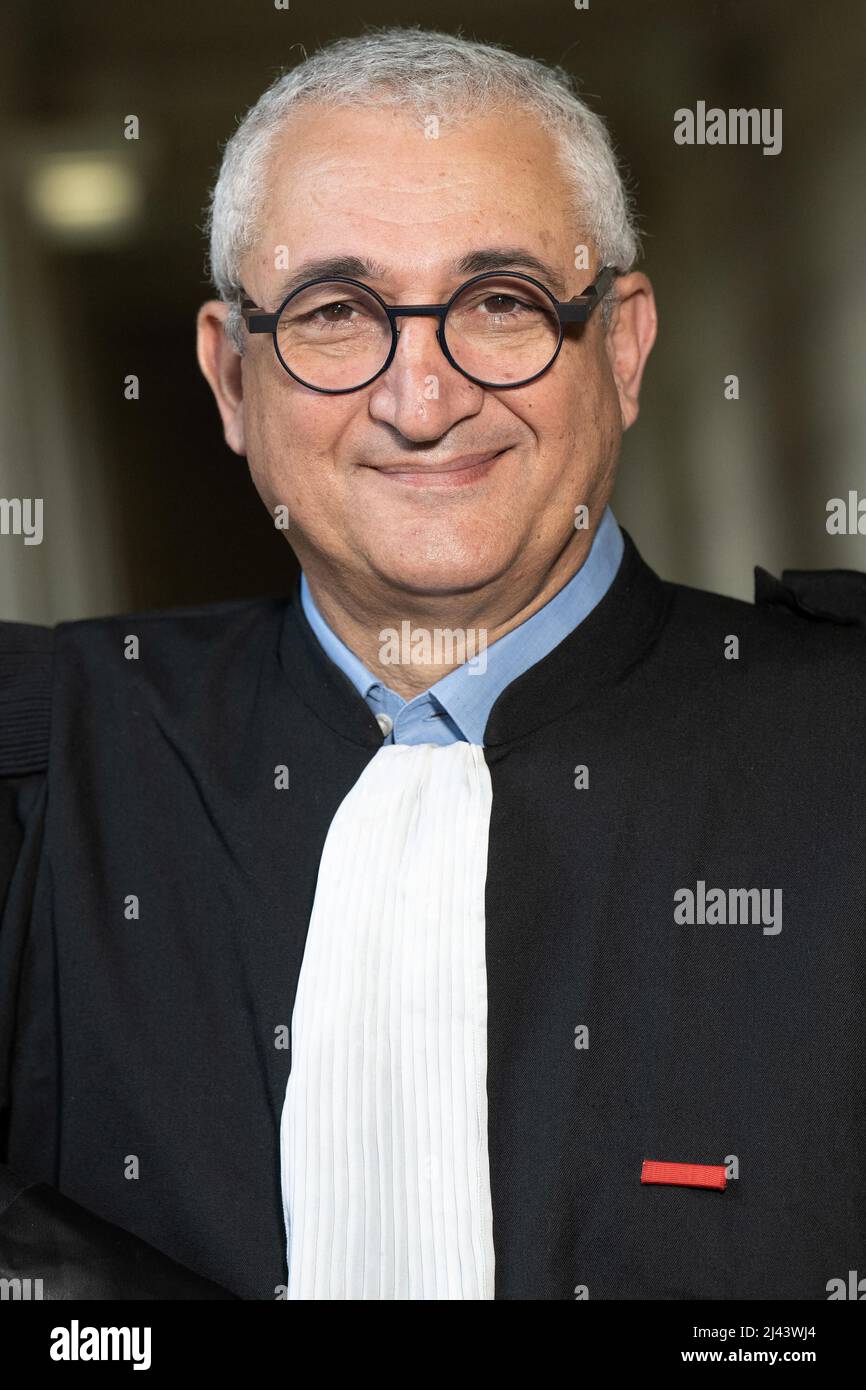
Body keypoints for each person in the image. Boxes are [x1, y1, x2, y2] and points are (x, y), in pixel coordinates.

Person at [1, 26, 864, 1301]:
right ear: (231, 377)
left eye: (500, 303)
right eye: (334, 314)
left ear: (622, 348)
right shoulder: (43, 768)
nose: (422, 400)